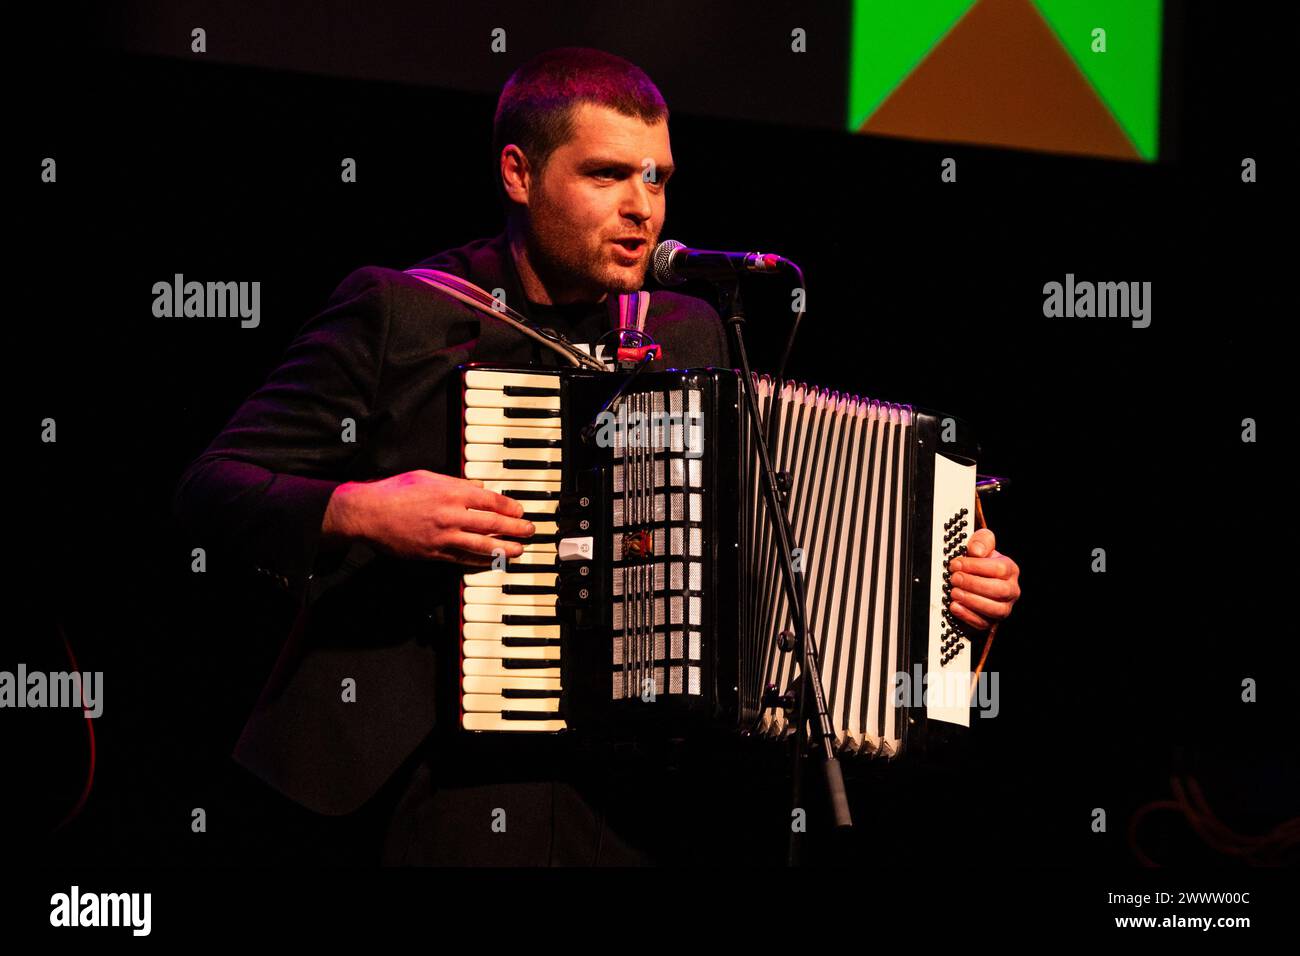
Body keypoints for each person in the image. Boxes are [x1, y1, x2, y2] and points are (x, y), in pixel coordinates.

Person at [174, 47, 1021, 865]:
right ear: (518, 173)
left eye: (657, 177)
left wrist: (947, 588)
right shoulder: (400, 311)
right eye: (607, 174)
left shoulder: (687, 331)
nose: (642, 207)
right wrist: (362, 510)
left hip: (633, 795)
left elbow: (779, 538)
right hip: (427, 777)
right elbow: (211, 489)